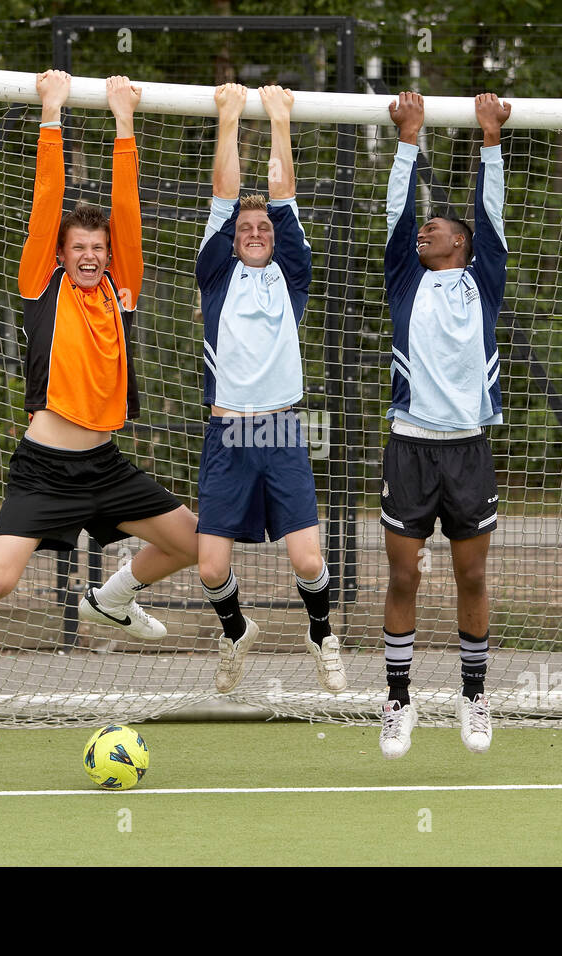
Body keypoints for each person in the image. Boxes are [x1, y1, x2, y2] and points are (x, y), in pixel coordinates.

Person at [0, 72, 198, 688]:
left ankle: (112, 599)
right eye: (78, 246)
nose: (89, 255)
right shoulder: (42, 284)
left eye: (97, 248)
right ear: (60, 252)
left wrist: (123, 121)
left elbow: (126, 207)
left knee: (198, 544)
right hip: (45, 468)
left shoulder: (119, 289)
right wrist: (51, 113)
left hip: (106, 466)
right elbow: (45, 198)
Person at [193, 83, 346, 696]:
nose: (254, 231)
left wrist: (280, 119)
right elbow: (224, 195)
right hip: (228, 433)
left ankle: (321, 635)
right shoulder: (217, 276)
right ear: (231, 240)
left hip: (281, 430)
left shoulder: (292, 277)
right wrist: (229, 118)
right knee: (210, 567)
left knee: (308, 561)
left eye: (263, 227)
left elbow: (282, 196)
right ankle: (234, 632)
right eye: (245, 228)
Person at [377, 90, 512, 758]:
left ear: (461, 242)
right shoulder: (405, 278)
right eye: (423, 227)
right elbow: (399, 217)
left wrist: (490, 139)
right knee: (404, 578)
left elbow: (492, 217)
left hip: (468, 451)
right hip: (410, 447)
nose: (425, 230)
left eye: (438, 226)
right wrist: (409, 136)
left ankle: (474, 694)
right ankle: (398, 700)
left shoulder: (482, 279)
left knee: (472, 579)